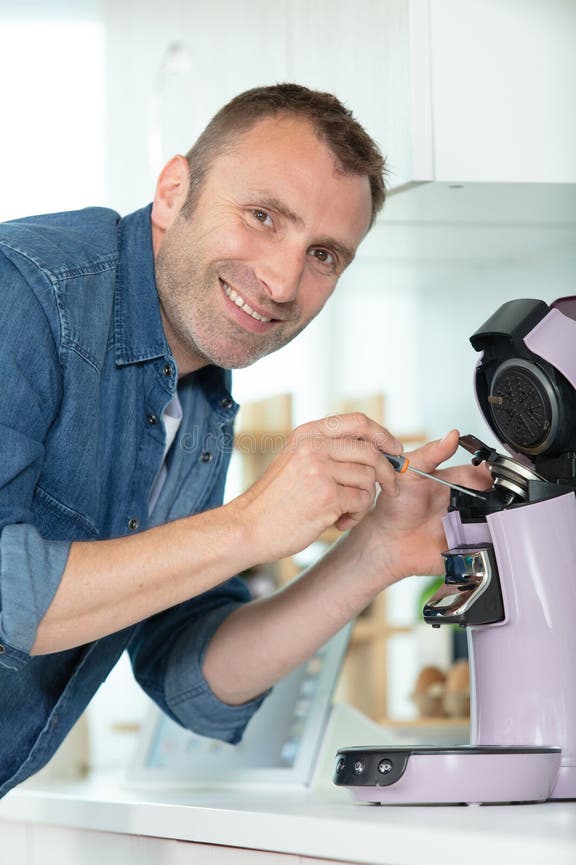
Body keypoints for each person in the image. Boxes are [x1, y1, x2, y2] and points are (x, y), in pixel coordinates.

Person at [0, 83, 486, 797]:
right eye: (263, 216)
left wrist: (373, 553)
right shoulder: (24, 289)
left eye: (324, 255)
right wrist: (251, 524)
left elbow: (192, 681)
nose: (284, 282)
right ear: (174, 193)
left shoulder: (197, 397)